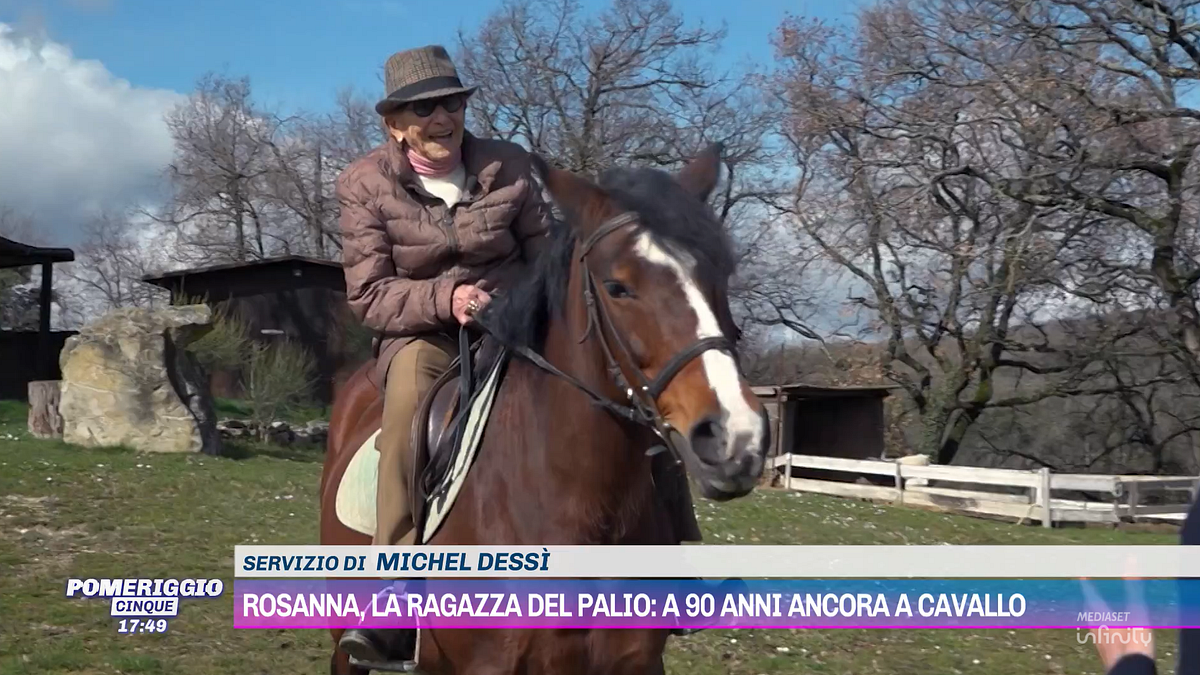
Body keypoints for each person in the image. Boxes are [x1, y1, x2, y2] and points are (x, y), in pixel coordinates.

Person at [334, 44, 704, 668]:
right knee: (404, 420)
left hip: (516, 325)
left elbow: (546, 253)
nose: (440, 117)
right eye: (423, 109)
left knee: (634, 406)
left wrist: (521, 301)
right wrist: (447, 298)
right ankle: (391, 595)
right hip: (423, 335)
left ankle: (679, 568)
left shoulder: (506, 165)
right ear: (394, 124)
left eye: (449, 102)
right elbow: (369, 294)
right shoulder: (362, 183)